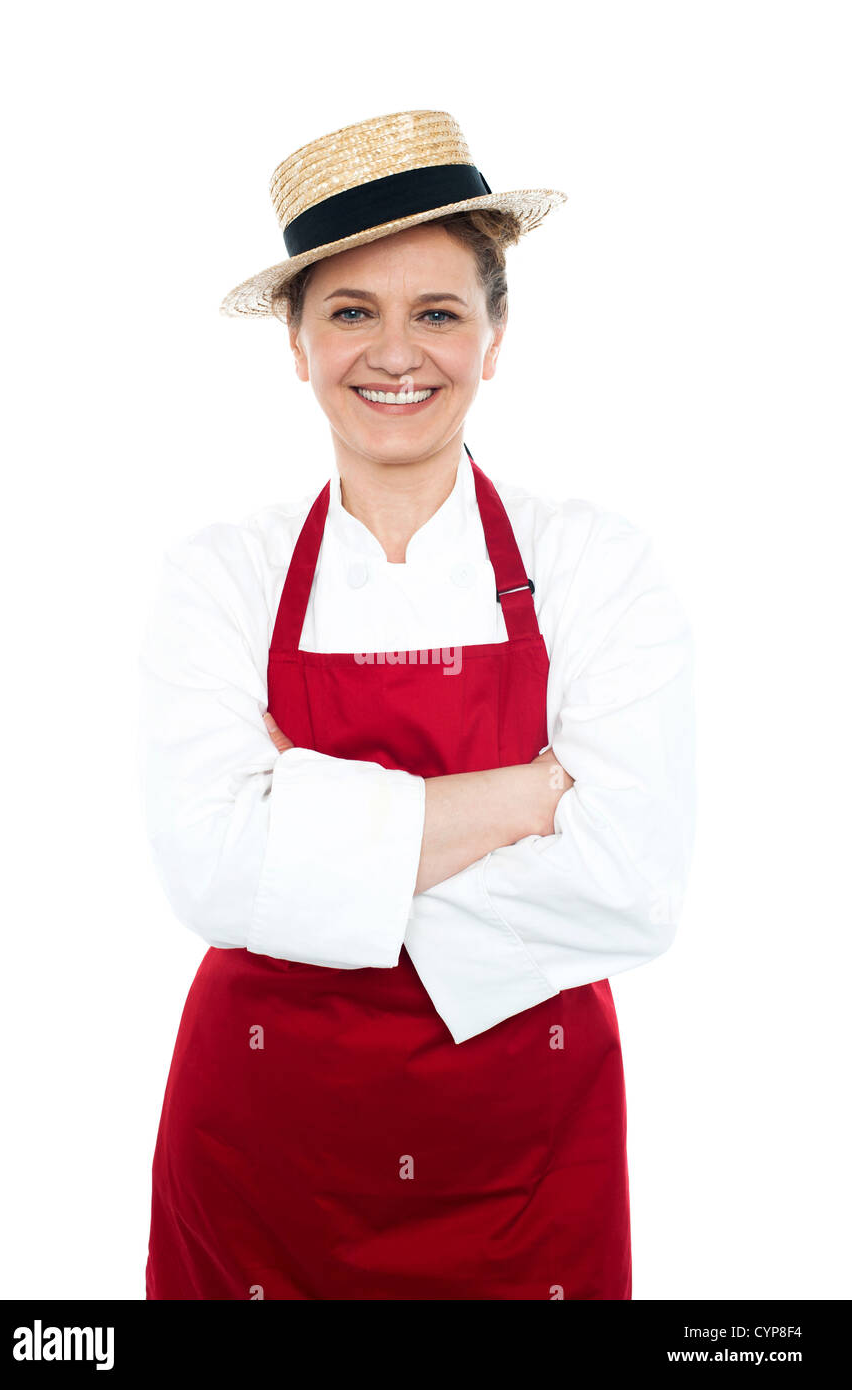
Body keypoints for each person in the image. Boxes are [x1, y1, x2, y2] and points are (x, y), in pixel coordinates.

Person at [140, 109, 696, 1301]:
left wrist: (309, 834)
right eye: (351, 312)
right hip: (259, 1150)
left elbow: (634, 888)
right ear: (295, 342)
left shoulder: (594, 561)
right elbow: (210, 871)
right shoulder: (219, 574)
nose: (397, 353)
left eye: (438, 311)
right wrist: (525, 795)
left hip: (528, 1156)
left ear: (495, 338)